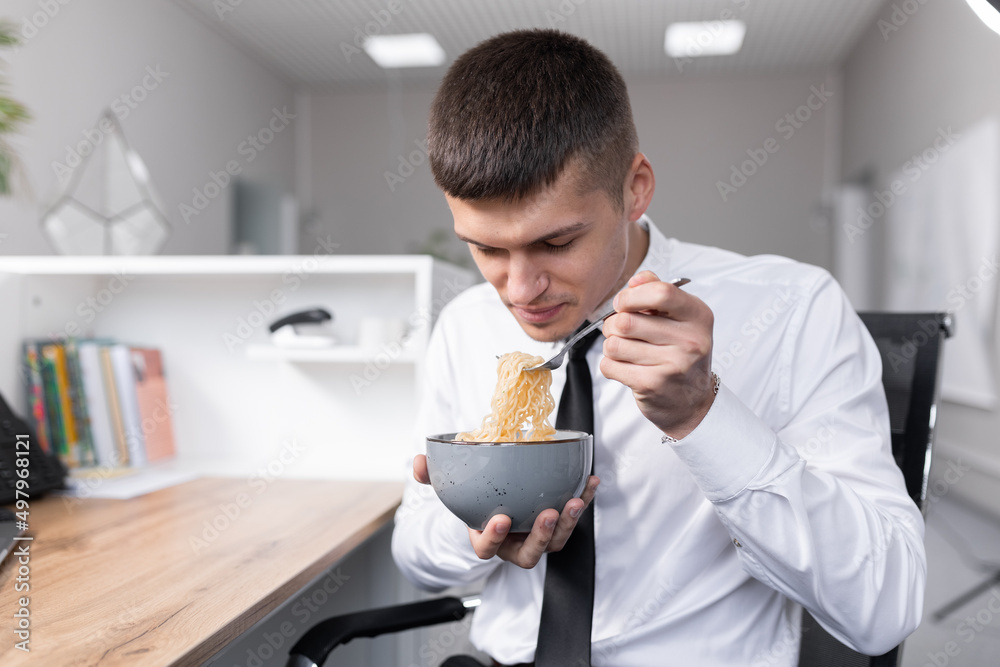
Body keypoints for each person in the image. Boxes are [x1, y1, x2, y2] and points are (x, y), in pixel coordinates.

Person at [391, 29, 925, 666]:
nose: (520, 288)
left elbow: (885, 606)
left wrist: (705, 417)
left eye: (557, 243)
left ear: (635, 187)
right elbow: (414, 554)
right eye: (486, 248)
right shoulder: (465, 325)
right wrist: (472, 524)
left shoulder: (793, 308)